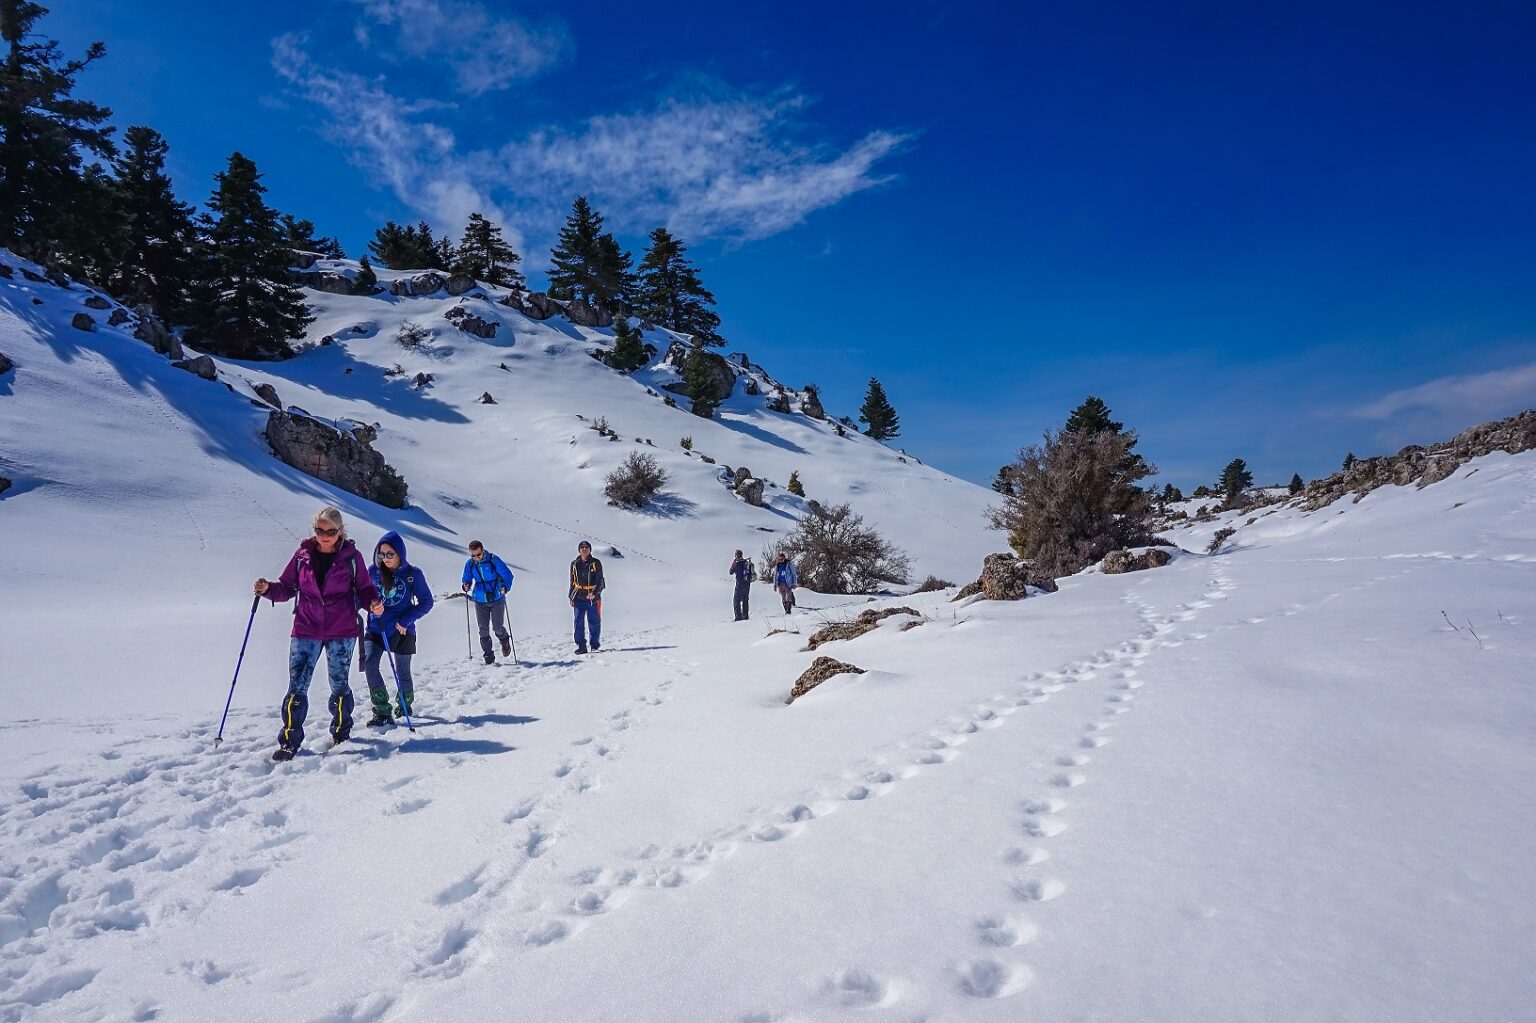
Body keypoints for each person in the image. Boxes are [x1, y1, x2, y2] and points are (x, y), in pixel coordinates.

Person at [254, 506, 382, 761]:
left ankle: (341, 733)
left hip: (341, 629)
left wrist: (374, 603)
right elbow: (287, 587)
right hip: (306, 628)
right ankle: (289, 741)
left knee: (339, 683)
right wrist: (268, 589)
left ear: (340, 531)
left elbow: (365, 589)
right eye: (319, 530)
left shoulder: (352, 557)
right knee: (297, 686)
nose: (324, 536)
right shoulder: (302, 556)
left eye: (330, 531)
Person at [363, 530, 435, 725]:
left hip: (402, 631)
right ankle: (382, 711)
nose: (385, 558)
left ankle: (404, 707)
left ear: (400, 554)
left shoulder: (413, 574)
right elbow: (361, 596)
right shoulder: (373, 571)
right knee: (370, 664)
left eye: (390, 554)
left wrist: (405, 621)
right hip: (376, 628)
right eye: (381, 554)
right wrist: (370, 605)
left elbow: (427, 602)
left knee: (403, 671)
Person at [461, 540, 514, 665]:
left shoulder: (493, 560)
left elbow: (507, 575)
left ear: (482, 550)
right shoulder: (470, 564)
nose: (476, 558)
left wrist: (505, 587)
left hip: (497, 598)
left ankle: (504, 640)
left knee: (497, 627)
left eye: (478, 555)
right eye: (473, 555)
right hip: (480, 600)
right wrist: (466, 585)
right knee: (483, 630)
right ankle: (488, 657)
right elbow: (466, 578)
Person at [569, 540, 605, 654]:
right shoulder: (574, 564)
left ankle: (594, 645)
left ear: (590, 550)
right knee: (578, 622)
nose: (584, 549)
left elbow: (600, 582)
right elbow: (572, 582)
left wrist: (594, 593)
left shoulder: (596, 563)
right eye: (582, 547)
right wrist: (571, 596)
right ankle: (581, 646)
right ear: (579, 550)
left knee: (594, 622)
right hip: (579, 597)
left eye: (586, 547)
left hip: (592, 599)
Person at [728, 549, 754, 621]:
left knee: (736, 600)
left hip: (739, 585)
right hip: (747, 584)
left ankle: (738, 617)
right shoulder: (746, 563)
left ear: (736, 556)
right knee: (745, 600)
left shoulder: (737, 564)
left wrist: (733, 563)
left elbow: (730, 572)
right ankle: (745, 616)